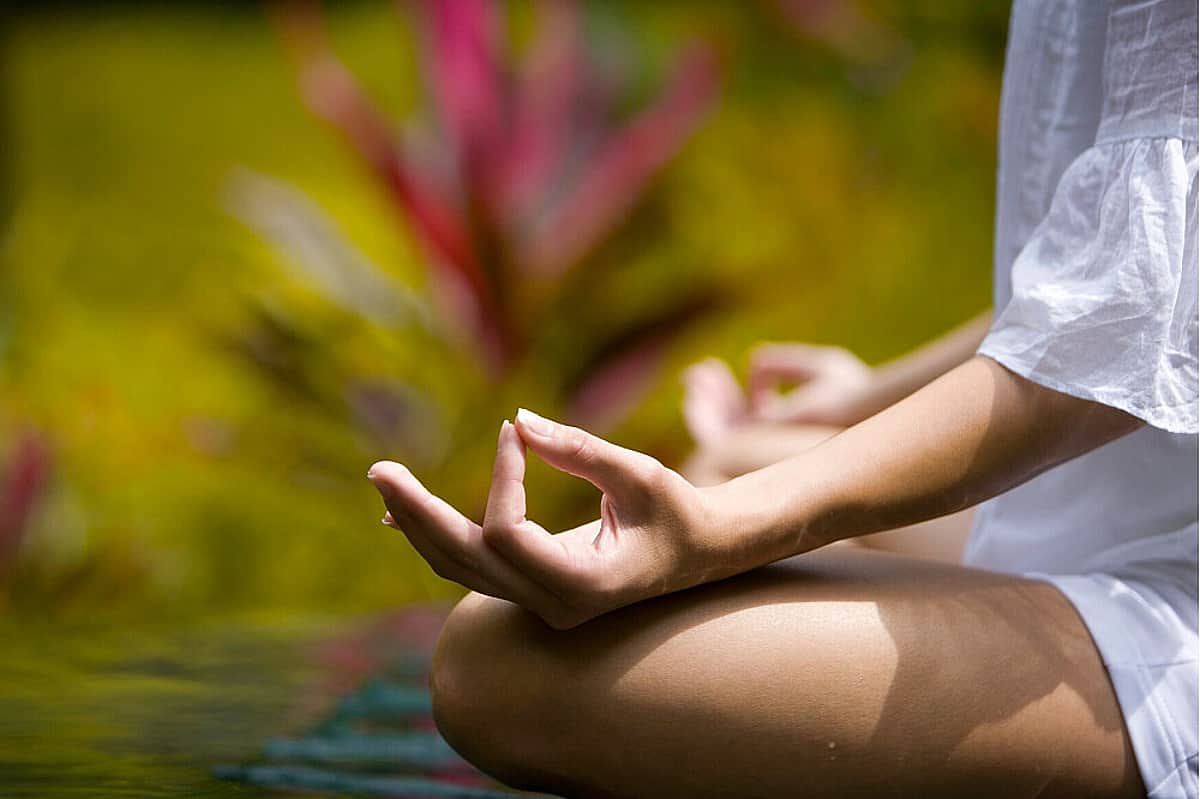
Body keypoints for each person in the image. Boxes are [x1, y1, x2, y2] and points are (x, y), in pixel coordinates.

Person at [367, 2, 1198, 796]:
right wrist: (857, 403)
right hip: (1121, 505)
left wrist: (717, 532)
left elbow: (1130, 318)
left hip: (1174, 589)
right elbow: (1118, 271)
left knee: (500, 664)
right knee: (741, 458)